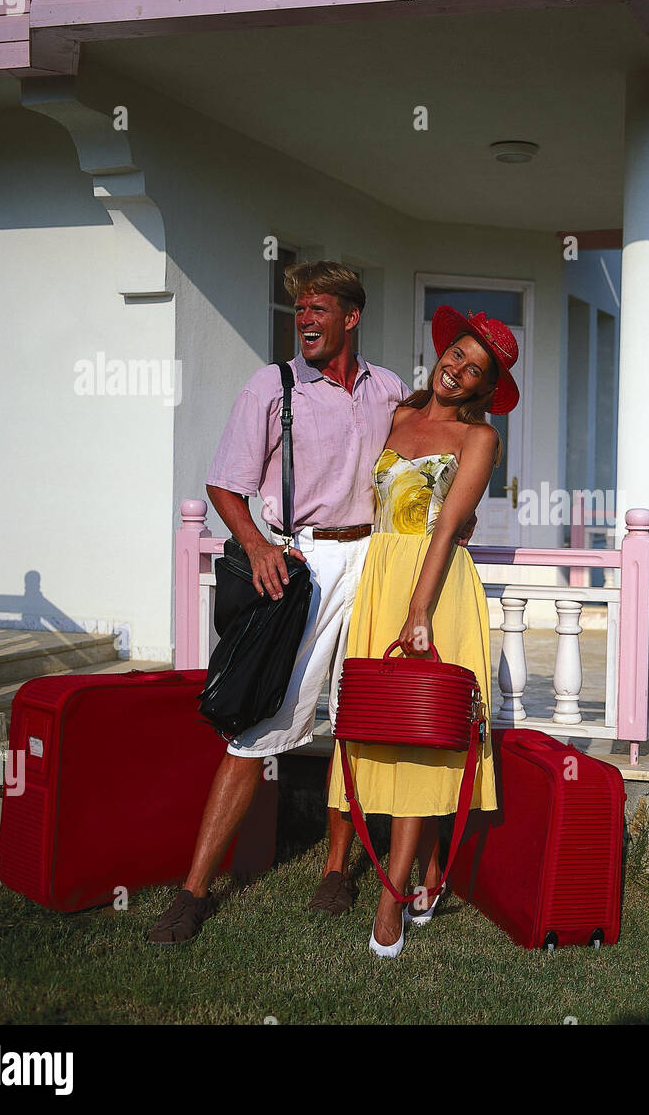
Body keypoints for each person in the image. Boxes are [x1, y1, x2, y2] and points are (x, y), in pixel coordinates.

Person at [147, 261, 470, 944]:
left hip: (380, 560)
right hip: (307, 561)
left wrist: (456, 511)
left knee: (359, 716)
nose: (307, 322)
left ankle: (336, 867)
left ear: (352, 317)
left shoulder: (390, 392)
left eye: (320, 310)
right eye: (301, 312)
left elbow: (430, 455)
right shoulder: (274, 386)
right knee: (256, 726)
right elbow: (225, 486)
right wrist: (259, 546)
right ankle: (194, 890)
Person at [323, 304, 519, 958]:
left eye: (475, 370)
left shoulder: (480, 440)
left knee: (421, 741)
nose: (457, 369)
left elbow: (443, 530)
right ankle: (433, 874)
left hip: (433, 594)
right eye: (457, 354)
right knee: (388, 730)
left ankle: (391, 902)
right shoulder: (398, 415)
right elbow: (368, 499)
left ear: (485, 389)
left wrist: (418, 611)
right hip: (380, 580)